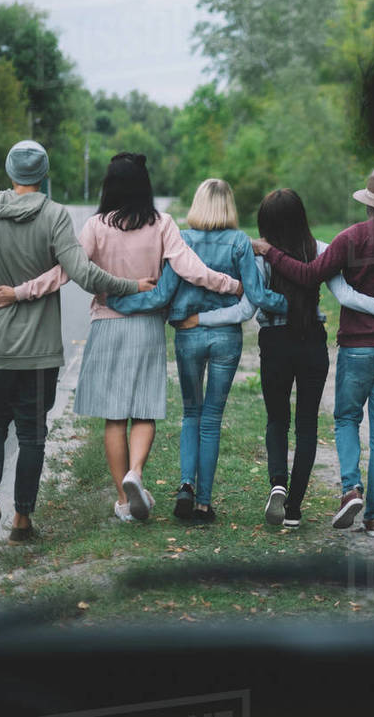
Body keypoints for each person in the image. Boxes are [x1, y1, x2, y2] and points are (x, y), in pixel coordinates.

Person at [0, 153, 243, 524]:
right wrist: (232, 285)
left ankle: (124, 501)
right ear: (145, 186)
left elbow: (63, 273)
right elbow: (191, 269)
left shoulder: (96, 226)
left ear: (110, 186)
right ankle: (136, 473)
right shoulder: (162, 224)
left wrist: (21, 291)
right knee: (144, 410)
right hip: (147, 329)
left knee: (114, 417)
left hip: (107, 326)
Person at [0, 139, 154, 551]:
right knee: (32, 434)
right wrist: (132, 285)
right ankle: (21, 517)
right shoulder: (55, 216)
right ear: (43, 176)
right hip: (39, 354)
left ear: (9, 173)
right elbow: (85, 274)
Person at [181, 188, 374, 529]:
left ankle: (278, 483)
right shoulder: (320, 249)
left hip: (275, 341)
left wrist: (201, 319)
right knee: (306, 425)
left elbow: (247, 308)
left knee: (277, 420)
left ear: (265, 222)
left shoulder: (257, 254)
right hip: (312, 343)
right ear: (302, 217)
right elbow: (346, 295)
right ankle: (295, 508)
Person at [252, 169, 374, 538]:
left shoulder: (351, 238)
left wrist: (270, 252)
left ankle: (351, 488)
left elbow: (308, 276)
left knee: (346, 419)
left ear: (368, 202)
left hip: (356, 347)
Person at [103, 178, 288, 524]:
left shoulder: (182, 239)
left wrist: (117, 300)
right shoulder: (237, 242)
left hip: (189, 336)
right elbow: (260, 296)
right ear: (229, 206)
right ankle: (203, 503)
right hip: (226, 339)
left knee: (191, 413)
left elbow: (160, 296)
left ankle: (186, 485)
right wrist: (293, 304)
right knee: (212, 419)